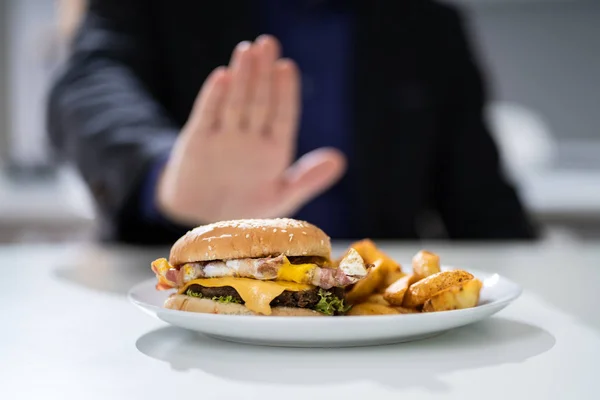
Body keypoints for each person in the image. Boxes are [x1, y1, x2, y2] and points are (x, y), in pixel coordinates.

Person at [47, 0, 538, 244]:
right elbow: (87, 88)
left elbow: (483, 206)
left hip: (378, 335)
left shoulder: (427, 26)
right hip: (185, 325)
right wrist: (166, 174)